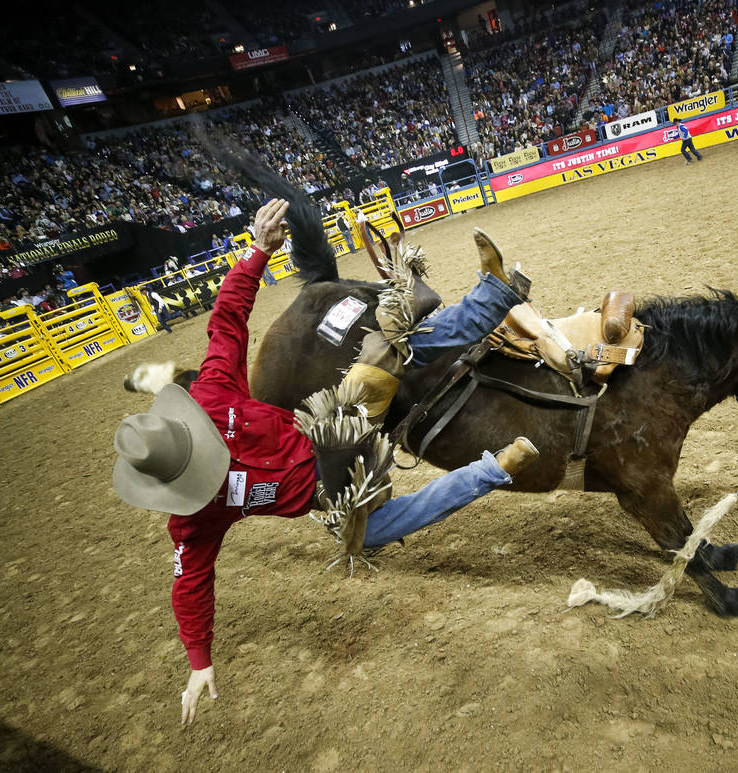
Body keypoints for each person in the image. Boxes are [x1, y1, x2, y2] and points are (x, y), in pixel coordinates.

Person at [112, 199, 537, 725]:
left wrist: (256, 253)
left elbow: (227, 319)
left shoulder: (213, 393)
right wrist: (198, 661)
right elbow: (189, 585)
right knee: (376, 530)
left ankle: (493, 295)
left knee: (393, 349)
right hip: (332, 494)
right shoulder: (193, 520)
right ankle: (491, 470)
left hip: (333, 429)